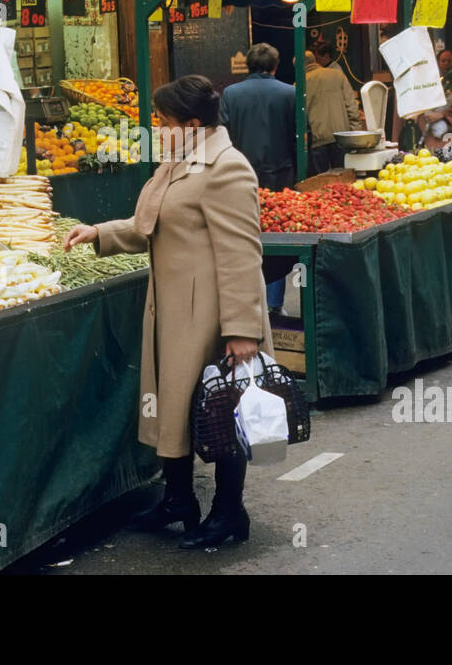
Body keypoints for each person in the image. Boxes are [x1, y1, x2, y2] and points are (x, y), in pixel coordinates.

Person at [62, 75, 269, 549]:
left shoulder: (227, 168)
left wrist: (242, 330)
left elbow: (242, 254)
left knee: (222, 411)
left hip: (211, 317)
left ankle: (229, 513)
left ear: (192, 124)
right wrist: (99, 233)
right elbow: (146, 227)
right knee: (173, 408)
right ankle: (178, 501)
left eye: (164, 120)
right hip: (172, 311)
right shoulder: (177, 163)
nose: (157, 127)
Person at [219, 43, 296, 191]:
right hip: (281, 171)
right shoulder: (290, 93)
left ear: (248, 66)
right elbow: (302, 135)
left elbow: (223, 132)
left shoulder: (231, 93)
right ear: (275, 65)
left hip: (241, 169)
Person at [305, 41, 364, 174]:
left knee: (321, 185)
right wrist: (355, 135)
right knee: (344, 181)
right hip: (341, 137)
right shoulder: (337, 75)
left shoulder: (299, 83)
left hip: (316, 140)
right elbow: (351, 106)